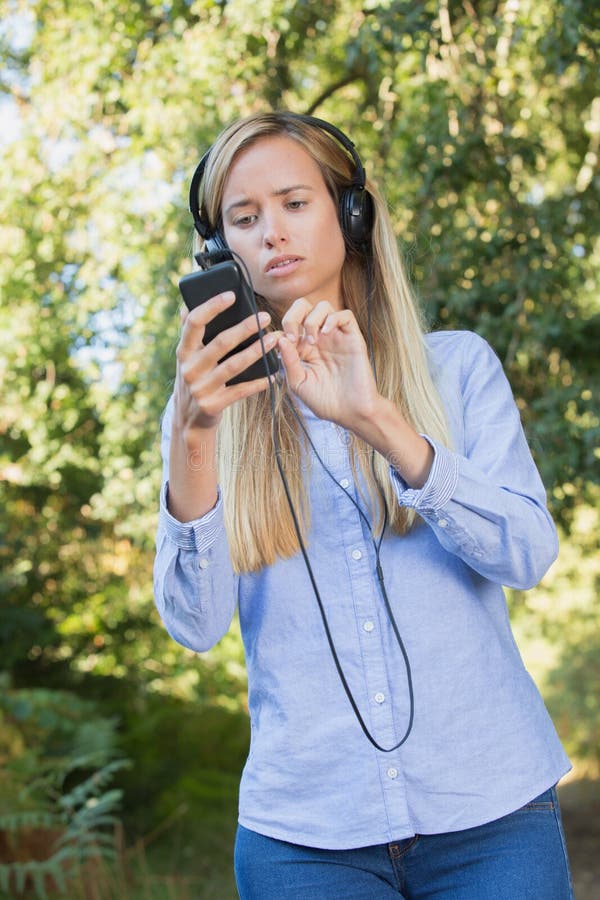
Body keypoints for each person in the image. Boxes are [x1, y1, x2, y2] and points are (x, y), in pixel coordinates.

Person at [153, 111, 573, 899]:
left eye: (294, 203)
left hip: (492, 812)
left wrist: (378, 420)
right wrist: (195, 434)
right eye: (244, 218)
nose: (272, 232)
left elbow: (527, 554)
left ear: (351, 216)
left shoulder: (458, 368)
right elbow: (194, 625)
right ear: (218, 252)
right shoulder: (202, 416)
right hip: (304, 840)